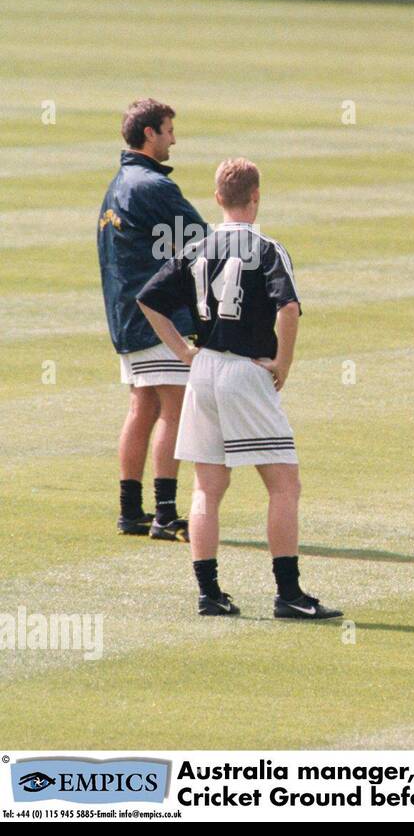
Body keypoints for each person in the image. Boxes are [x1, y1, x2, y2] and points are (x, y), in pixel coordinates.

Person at [136, 158, 340, 620]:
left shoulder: (196, 246)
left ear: (217, 199)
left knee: (207, 487)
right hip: (245, 372)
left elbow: (148, 300)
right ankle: (288, 594)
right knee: (284, 484)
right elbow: (288, 308)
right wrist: (283, 362)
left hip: (203, 369)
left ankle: (210, 594)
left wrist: (184, 354)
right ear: (256, 197)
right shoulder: (267, 248)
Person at [98, 98, 208, 540]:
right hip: (158, 319)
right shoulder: (152, 187)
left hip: (128, 315)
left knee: (142, 406)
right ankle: (164, 514)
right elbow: (204, 241)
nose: (173, 139)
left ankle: (130, 511)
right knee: (173, 407)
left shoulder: (119, 184)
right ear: (149, 134)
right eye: (168, 130)